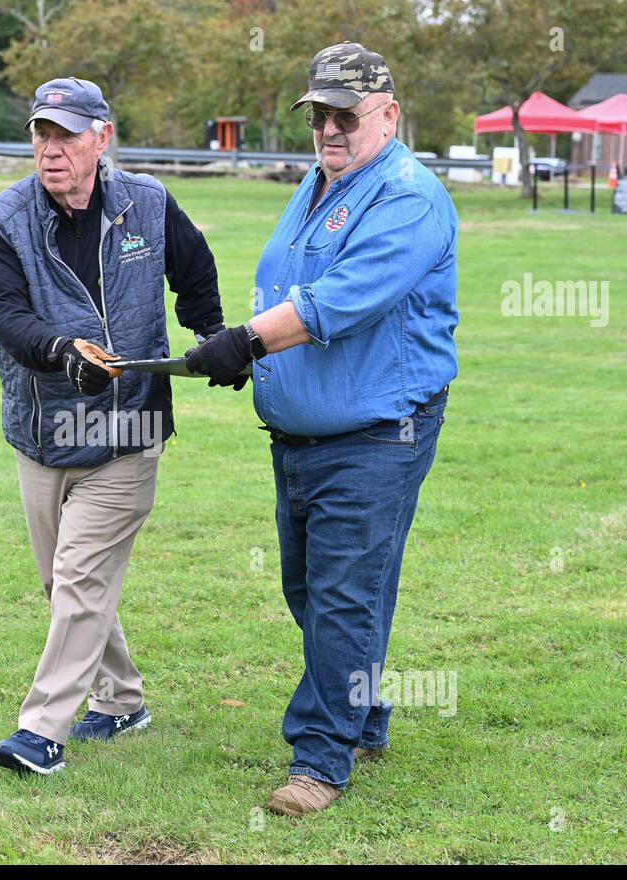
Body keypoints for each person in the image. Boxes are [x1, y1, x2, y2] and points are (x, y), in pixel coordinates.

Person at [186, 42, 459, 816]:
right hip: (303, 436)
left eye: (348, 115)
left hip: (376, 433)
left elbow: (336, 301)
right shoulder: (321, 180)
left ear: (389, 115)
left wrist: (245, 341)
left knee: (341, 597)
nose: (331, 130)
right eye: (321, 116)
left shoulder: (408, 197)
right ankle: (364, 712)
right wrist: (252, 357)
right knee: (313, 588)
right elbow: (288, 283)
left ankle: (320, 757)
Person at [0, 77, 230, 775]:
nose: (51, 151)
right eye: (41, 135)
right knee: (65, 585)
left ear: (101, 138)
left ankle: (40, 731)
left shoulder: (147, 204)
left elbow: (195, 268)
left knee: (81, 578)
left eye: (65, 135)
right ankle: (121, 702)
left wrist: (210, 333)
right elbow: (11, 318)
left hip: (130, 430)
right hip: (44, 430)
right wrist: (62, 352)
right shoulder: (0, 223)